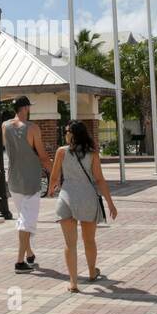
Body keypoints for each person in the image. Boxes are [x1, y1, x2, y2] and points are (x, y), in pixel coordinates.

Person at [47, 120, 118, 293]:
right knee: (89, 240)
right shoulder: (92, 154)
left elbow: (54, 177)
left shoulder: (61, 151)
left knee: (70, 244)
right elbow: (99, 179)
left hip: (66, 198)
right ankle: (92, 272)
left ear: (73, 134)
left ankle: (73, 282)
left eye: (67, 131)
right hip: (87, 198)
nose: (65, 134)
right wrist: (110, 203)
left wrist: (51, 189)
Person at [4, 96, 53, 274]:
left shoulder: (5, 126)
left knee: (23, 216)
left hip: (13, 179)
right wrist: (55, 175)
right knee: (27, 221)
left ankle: (29, 253)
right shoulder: (32, 128)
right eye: (28, 107)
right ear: (25, 108)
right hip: (30, 180)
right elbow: (43, 156)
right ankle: (19, 262)